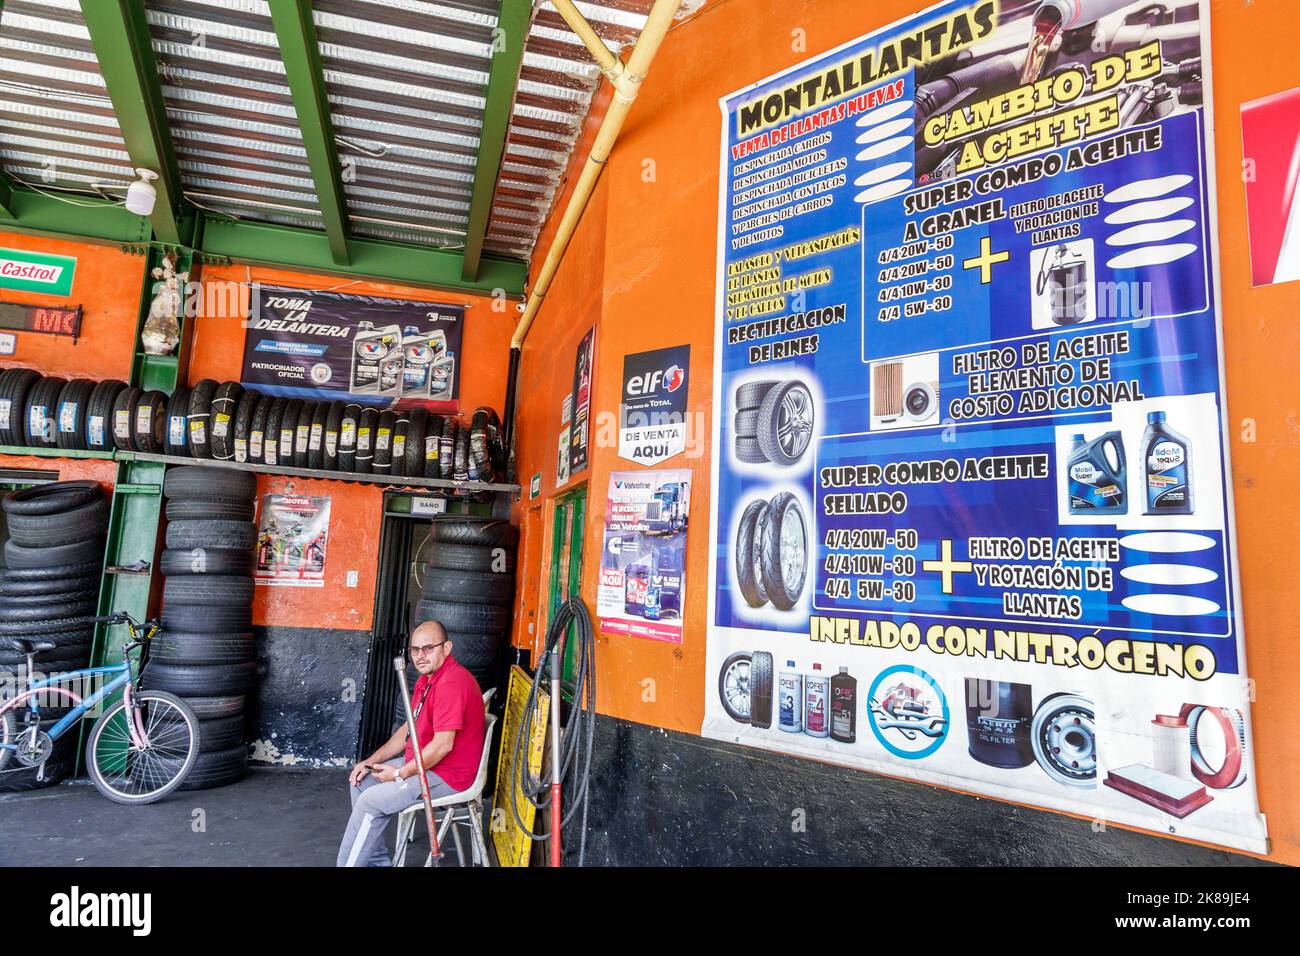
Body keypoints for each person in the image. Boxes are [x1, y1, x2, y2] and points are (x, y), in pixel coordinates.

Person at [337, 619, 487, 867]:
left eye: (428, 648)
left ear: (447, 648)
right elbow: (408, 730)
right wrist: (371, 761)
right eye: (415, 650)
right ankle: (375, 863)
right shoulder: (427, 680)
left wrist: (399, 773)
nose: (420, 656)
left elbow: (443, 746)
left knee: (371, 801)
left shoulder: (451, 682)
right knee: (361, 780)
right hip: (427, 766)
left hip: (450, 776)